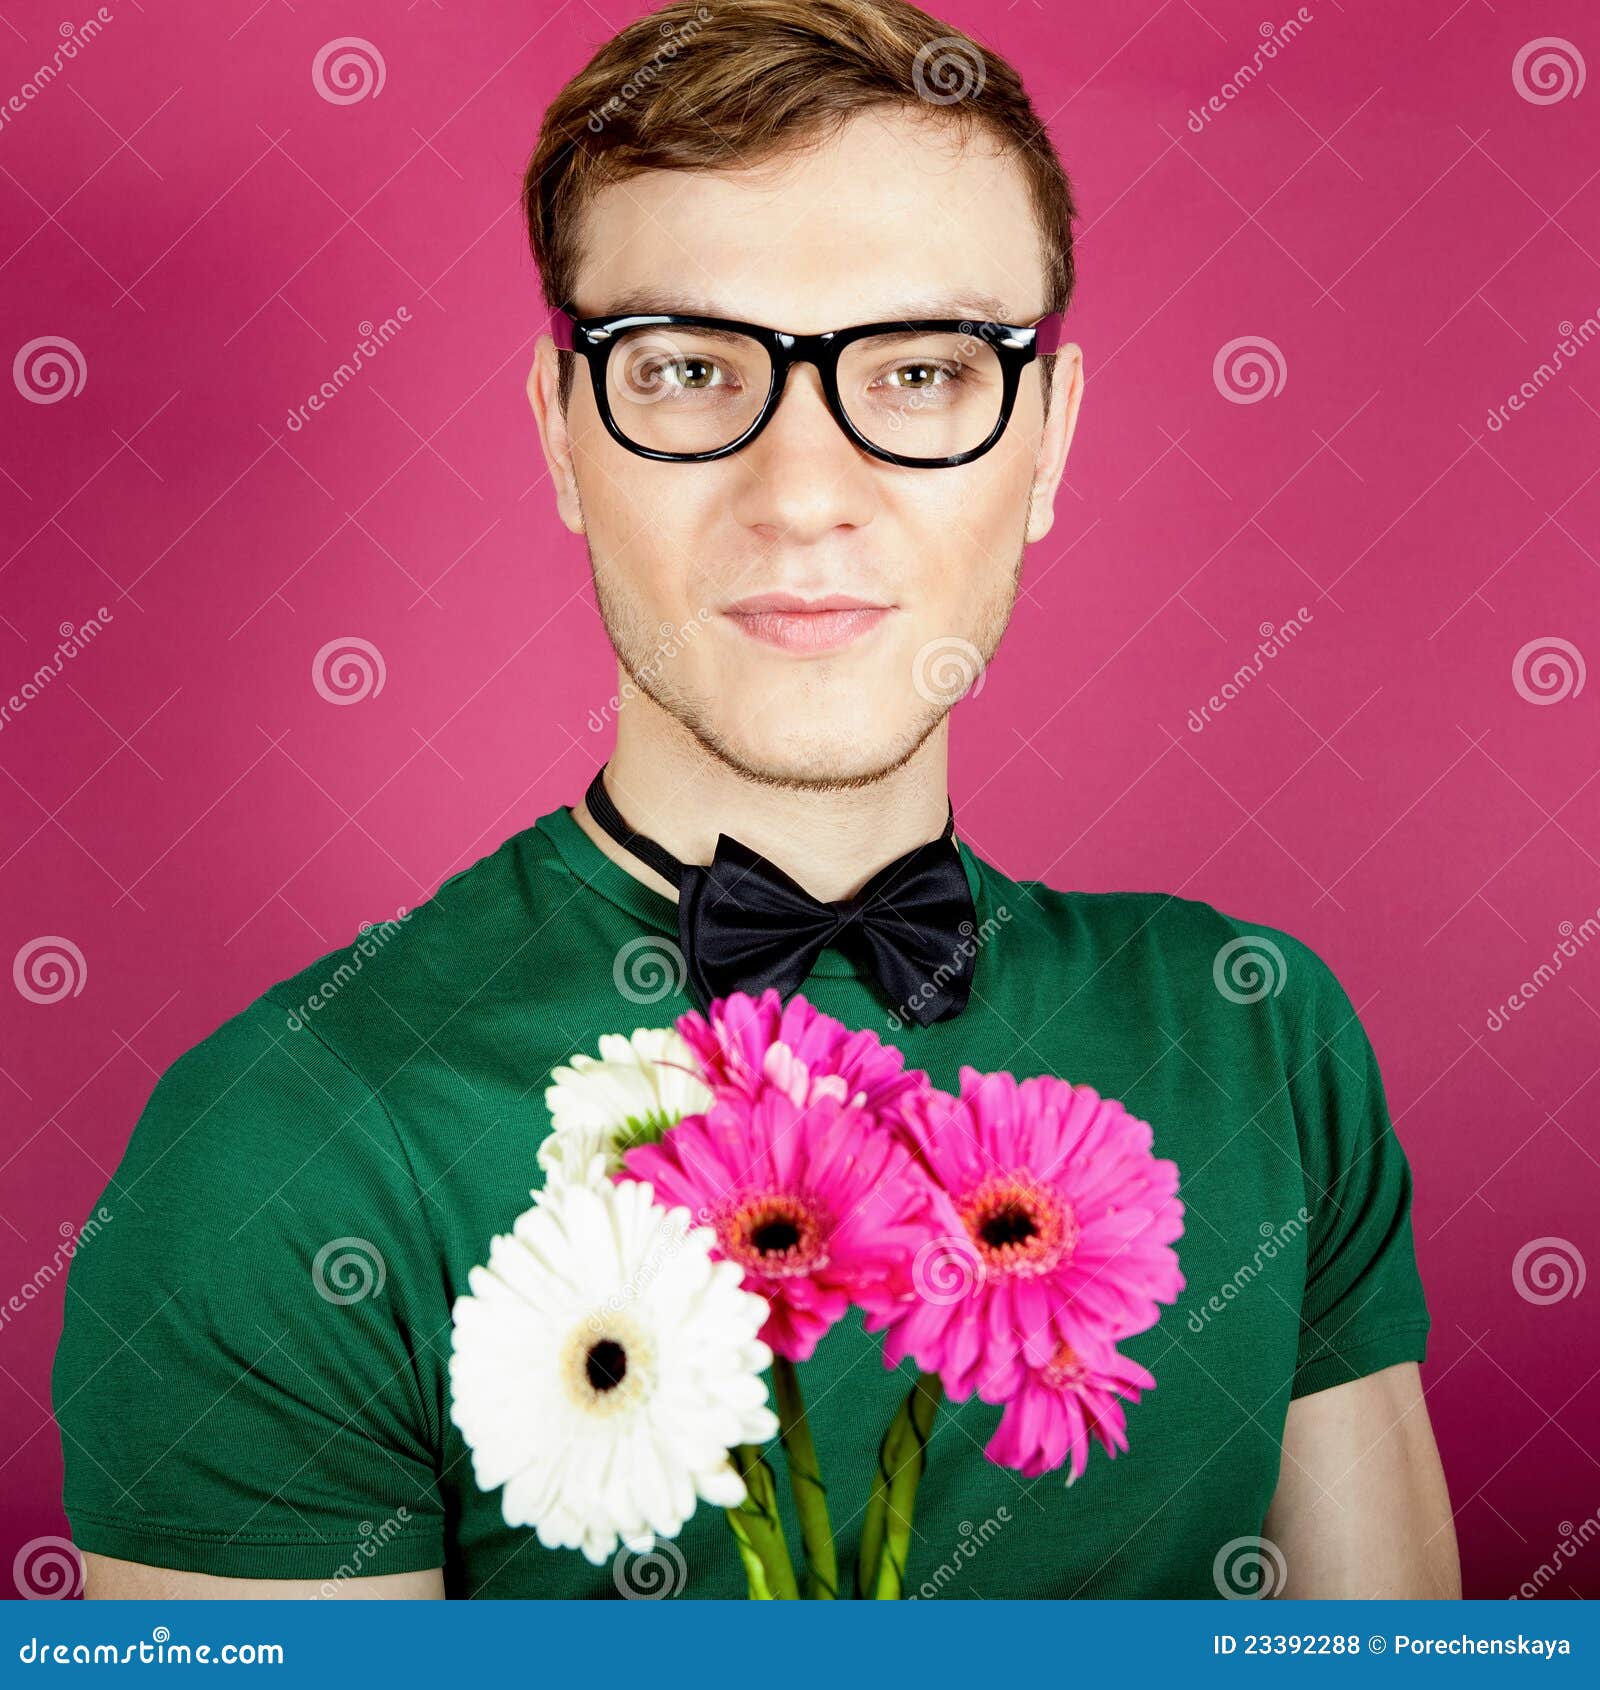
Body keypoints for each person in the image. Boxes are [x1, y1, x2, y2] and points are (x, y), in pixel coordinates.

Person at [54, 0, 1460, 1599]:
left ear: (1051, 445)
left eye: (926, 369)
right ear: (566, 437)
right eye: (687, 369)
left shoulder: (1262, 1036)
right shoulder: (279, 1151)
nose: (802, 498)